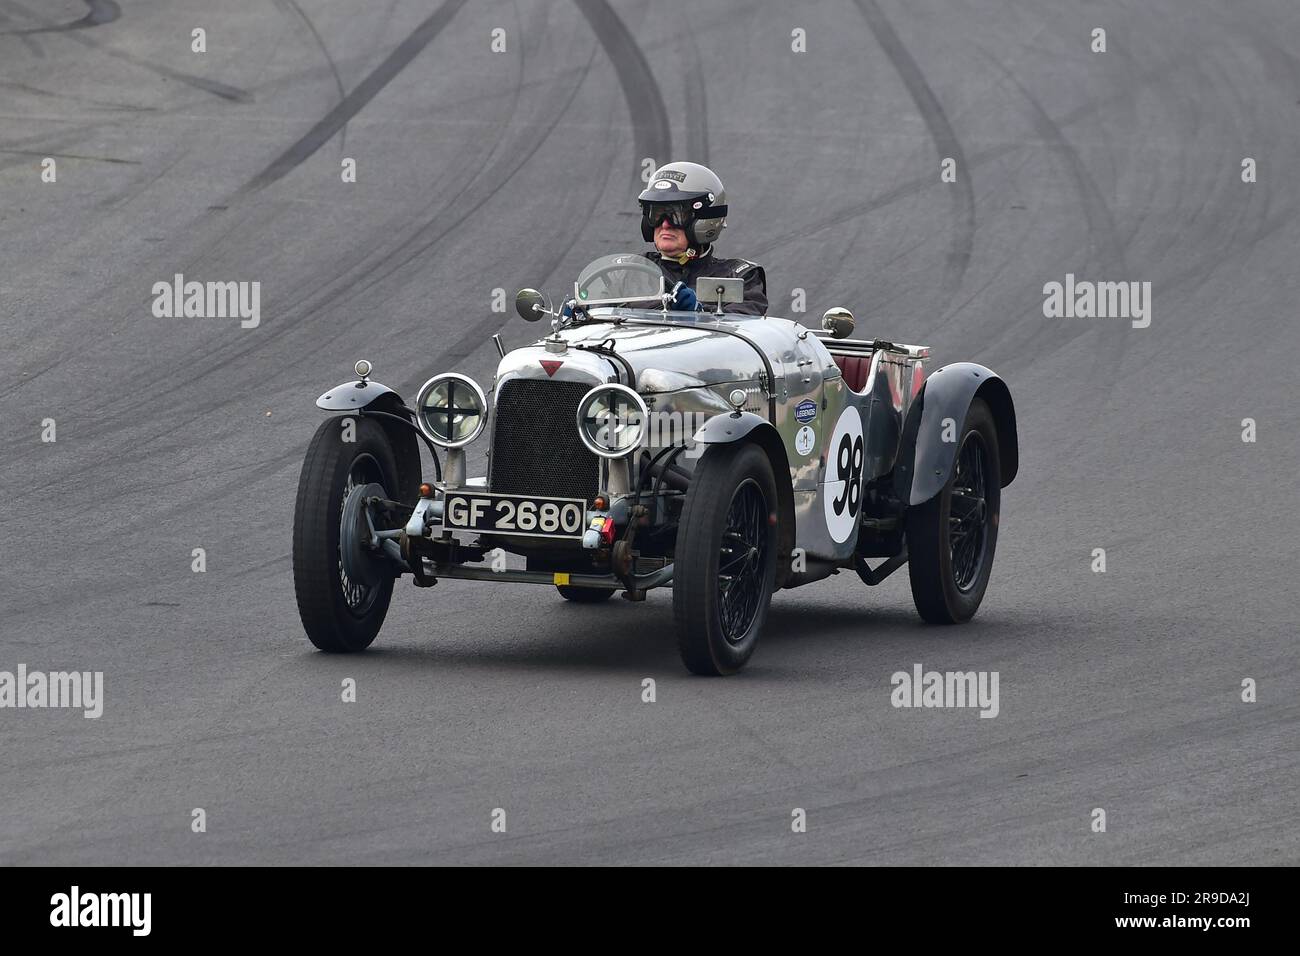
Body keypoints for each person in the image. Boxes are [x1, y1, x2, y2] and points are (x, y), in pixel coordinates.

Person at [638, 162, 768, 316]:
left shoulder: (739, 276)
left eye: (676, 215)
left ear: (706, 220)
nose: (665, 224)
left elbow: (744, 323)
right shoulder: (630, 271)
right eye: (657, 214)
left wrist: (699, 312)